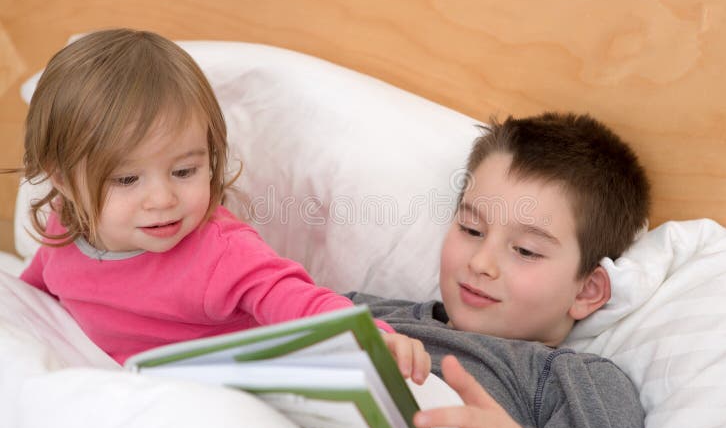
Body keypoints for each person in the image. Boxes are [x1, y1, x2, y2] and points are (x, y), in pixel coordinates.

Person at [14, 28, 429, 383]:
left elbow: (295, 300)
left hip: (222, 394)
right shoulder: (64, 226)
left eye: (184, 172)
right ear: (63, 180)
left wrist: (371, 337)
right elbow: (34, 293)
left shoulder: (219, 252)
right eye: (126, 179)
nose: (162, 200)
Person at [348, 113, 650, 428]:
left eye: (525, 251)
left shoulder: (578, 383)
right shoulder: (361, 313)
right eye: (471, 230)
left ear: (586, 291)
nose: (480, 263)